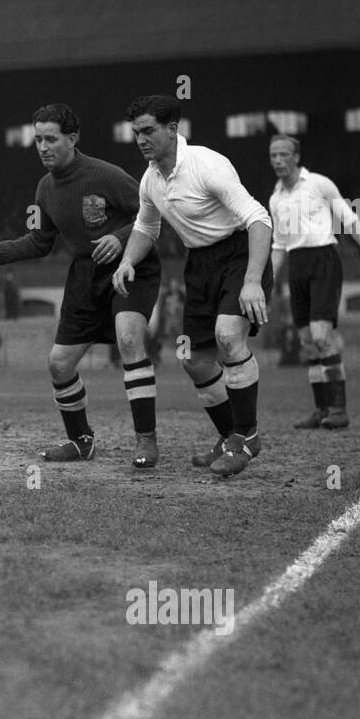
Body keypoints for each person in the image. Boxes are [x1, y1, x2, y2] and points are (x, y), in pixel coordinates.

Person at [0, 103, 162, 467]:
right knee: (58, 364)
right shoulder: (45, 189)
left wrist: (120, 238)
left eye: (51, 139)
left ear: (72, 139)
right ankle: (81, 441)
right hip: (85, 275)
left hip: (131, 266)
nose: (42, 147)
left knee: (129, 339)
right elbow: (39, 241)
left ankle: (146, 442)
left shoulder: (108, 175)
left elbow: (151, 214)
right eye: (38, 139)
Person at [113, 95, 274, 477]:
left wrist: (252, 281)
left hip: (239, 255)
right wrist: (127, 260)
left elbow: (259, 218)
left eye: (148, 131)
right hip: (199, 264)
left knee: (228, 337)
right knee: (192, 359)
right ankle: (229, 437)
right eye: (136, 133)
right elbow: (146, 227)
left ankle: (247, 437)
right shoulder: (150, 180)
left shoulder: (207, 165)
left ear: (173, 129)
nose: (141, 140)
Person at [267, 134, 360, 429]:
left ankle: (339, 410)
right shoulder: (276, 198)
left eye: (283, 154)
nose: (277, 160)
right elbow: (279, 245)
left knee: (320, 335)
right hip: (296, 265)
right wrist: (267, 282)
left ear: (296, 157)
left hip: (324, 260)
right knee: (307, 341)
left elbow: (349, 219)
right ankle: (321, 409)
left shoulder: (318, 184)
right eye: (273, 155)